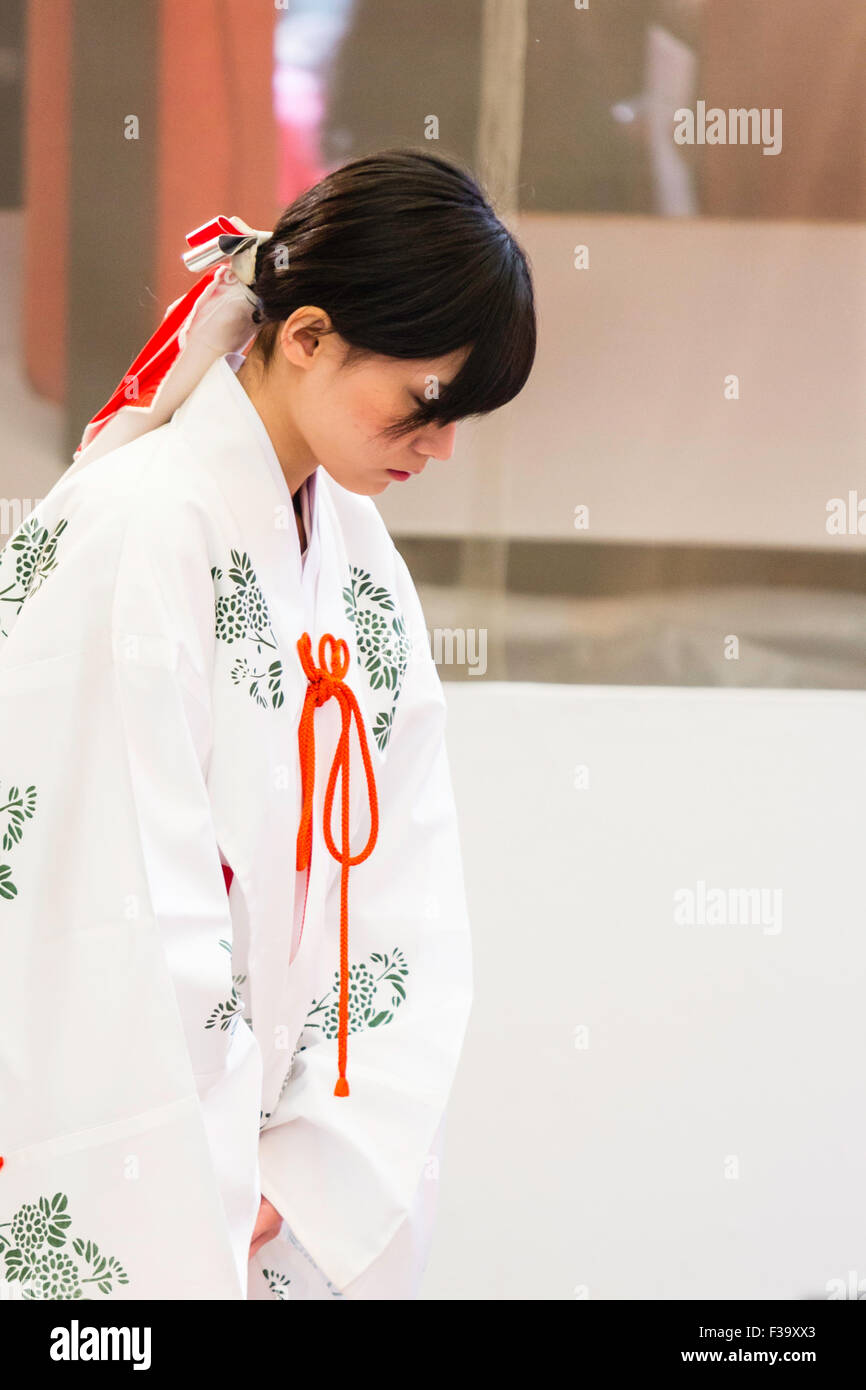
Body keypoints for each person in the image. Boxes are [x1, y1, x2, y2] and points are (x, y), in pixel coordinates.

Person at [0, 148, 536, 1300]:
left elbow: (405, 879)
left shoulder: (355, 553)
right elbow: (105, 896)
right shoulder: (135, 527)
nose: (437, 446)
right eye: (425, 401)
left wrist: (312, 1167)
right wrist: (200, 1169)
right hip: (145, 1152)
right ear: (306, 338)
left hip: (282, 1168)